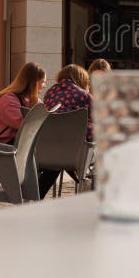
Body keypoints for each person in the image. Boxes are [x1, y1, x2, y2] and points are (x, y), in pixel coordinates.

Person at [39, 64, 93, 199]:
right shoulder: (86, 96)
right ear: (81, 79)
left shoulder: (49, 93)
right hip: (75, 154)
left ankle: (35, 196)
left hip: (48, 151)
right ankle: (92, 191)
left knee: (57, 162)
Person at [0, 62, 46, 145]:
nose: (44, 86)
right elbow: (25, 126)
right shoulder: (8, 100)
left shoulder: (31, 99)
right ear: (33, 83)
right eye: (43, 82)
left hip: (22, 143)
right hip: (7, 145)